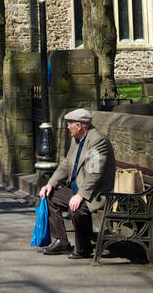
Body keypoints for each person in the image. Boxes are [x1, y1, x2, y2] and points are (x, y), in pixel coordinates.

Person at [38, 109, 115, 259]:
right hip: (78, 188)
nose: (67, 127)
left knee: (77, 208)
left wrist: (80, 195)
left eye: (70, 124)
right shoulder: (77, 139)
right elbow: (66, 164)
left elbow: (94, 174)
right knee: (49, 197)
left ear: (79, 125)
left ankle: (84, 248)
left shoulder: (97, 141)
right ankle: (62, 242)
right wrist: (50, 184)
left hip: (96, 193)